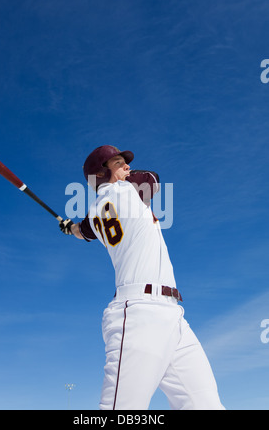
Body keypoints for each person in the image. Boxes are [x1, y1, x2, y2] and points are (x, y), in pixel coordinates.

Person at [60, 145, 225, 410]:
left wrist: (72, 228)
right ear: (102, 173)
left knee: (205, 405)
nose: (127, 166)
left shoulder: (98, 210)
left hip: (173, 318)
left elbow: (86, 231)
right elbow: (153, 177)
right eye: (118, 162)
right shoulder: (124, 190)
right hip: (139, 313)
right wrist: (79, 224)